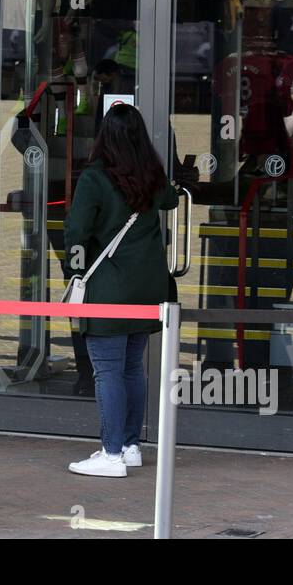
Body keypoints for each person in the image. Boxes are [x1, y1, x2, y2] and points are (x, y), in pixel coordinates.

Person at [62, 104, 178, 478]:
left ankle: (111, 453)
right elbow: (172, 199)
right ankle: (130, 446)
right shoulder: (152, 175)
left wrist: (76, 271)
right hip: (147, 288)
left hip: (109, 289)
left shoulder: (95, 178)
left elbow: (77, 232)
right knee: (131, 369)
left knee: (107, 370)